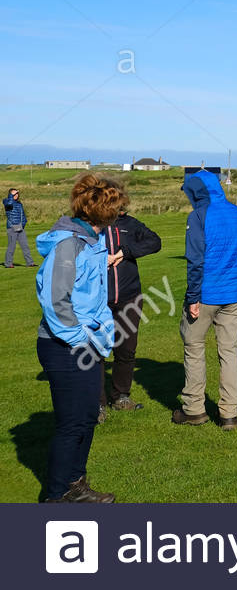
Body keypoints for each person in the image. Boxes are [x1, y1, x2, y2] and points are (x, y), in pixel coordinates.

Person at [34, 172, 125, 502]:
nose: (119, 212)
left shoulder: (92, 240)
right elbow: (56, 300)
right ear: (103, 210)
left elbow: (94, 297)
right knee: (72, 423)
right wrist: (81, 339)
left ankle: (76, 485)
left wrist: (101, 336)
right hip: (64, 345)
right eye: (115, 207)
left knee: (87, 417)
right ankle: (56, 496)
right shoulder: (69, 244)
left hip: (87, 342)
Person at [173, 171, 237, 430]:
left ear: (196, 192)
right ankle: (229, 414)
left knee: (194, 346)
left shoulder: (198, 216)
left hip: (206, 296)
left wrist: (193, 298)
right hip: (234, 295)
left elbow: (195, 261)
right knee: (229, 351)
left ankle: (194, 409)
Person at [98, 179, 162, 417]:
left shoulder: (130, 224)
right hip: (98, 300)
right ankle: (97, 403)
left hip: (129, 297)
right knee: (96, 351)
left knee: (126, 350)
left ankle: (120, 396)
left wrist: (124, 253)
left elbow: (155, 242)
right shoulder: (91, 226)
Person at [5, 186, 36, 268]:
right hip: (12, 227)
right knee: (11, 246)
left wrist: (23, 223)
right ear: (10, 194)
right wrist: (11, 196)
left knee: (25, 245)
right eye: (14, 193)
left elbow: (23, 215)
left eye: (17, 193)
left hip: (20, 227)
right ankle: (8, 263)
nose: (16, 195)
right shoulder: (6, 201)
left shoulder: (19, 203)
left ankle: (30, 263)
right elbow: (9, 203)